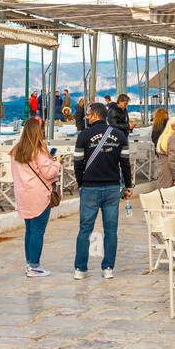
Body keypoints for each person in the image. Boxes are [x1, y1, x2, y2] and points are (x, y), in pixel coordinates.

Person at [72, 102, 133, 280]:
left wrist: (81, 182)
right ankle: (108, 268)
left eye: (89, 114)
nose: (87, 117)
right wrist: (128, 185)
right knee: (111, 230)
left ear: (96, 115)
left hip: (90, 187)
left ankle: (80, 269)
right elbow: (125, 164)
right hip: (113, 187)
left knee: (85, 229)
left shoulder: (84, 135)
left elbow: (78, 163)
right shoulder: (119, 135)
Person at [10, 118, 61, 277]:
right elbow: (48, 173)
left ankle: (29, 263)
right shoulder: (38, 151)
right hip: (39, 195)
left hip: (23, 194)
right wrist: (57, 163)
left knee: (30, 231)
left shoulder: (16, 150)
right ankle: (34, 266)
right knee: (38, 231)